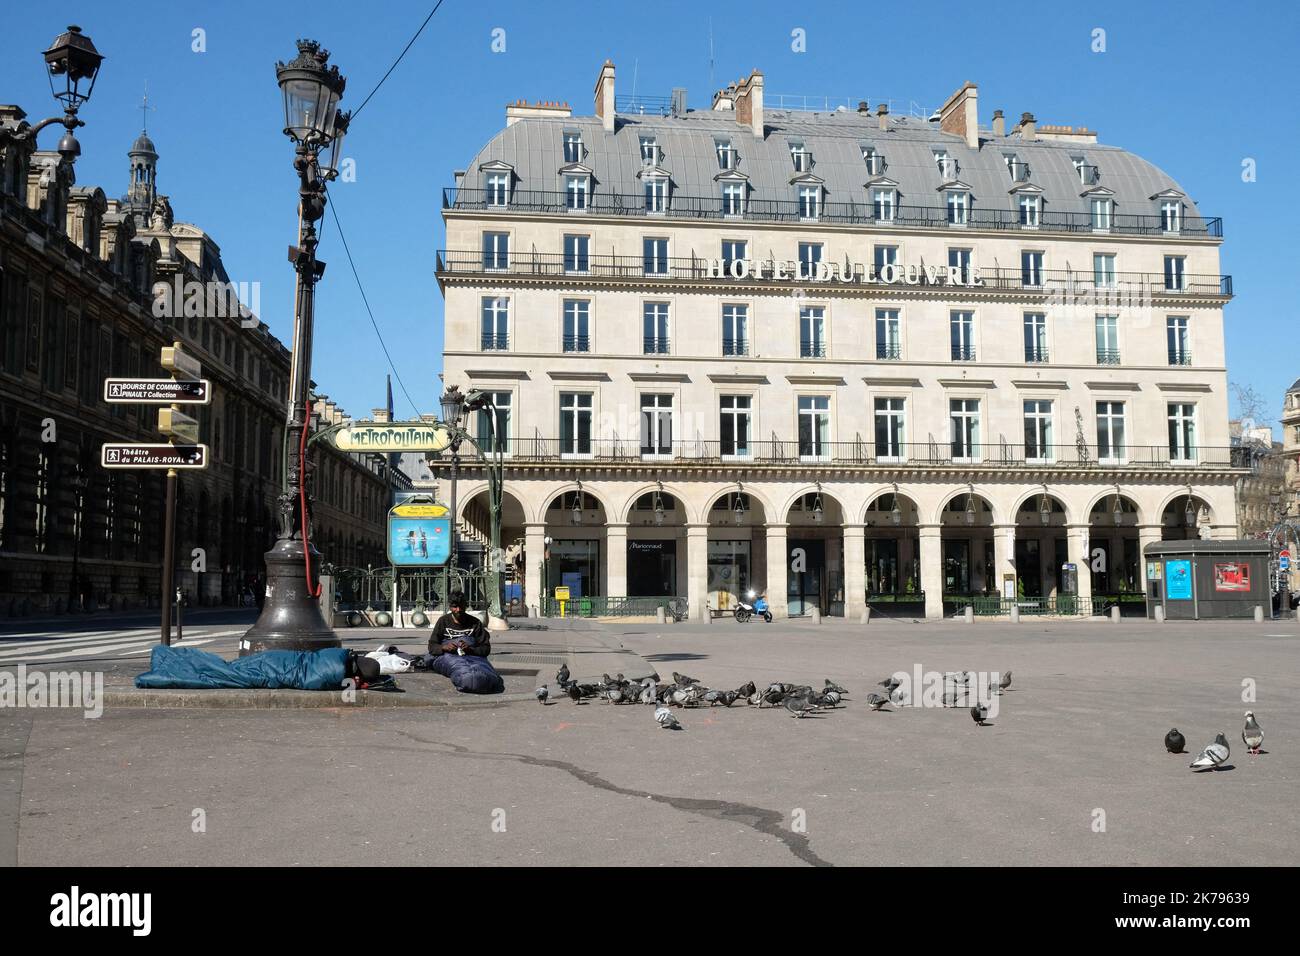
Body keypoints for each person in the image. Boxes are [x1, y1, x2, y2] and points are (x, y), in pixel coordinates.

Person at [427, 593, 491, 658]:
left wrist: (470, 649)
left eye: (461, 606)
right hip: (448, 658)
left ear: (465, 606)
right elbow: (432, 646)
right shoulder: (443, 621)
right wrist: (444, 647)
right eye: (455, 607)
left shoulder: (475, 623)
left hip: (471, 658)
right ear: (450, 607)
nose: (458, 610)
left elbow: (486, 648)